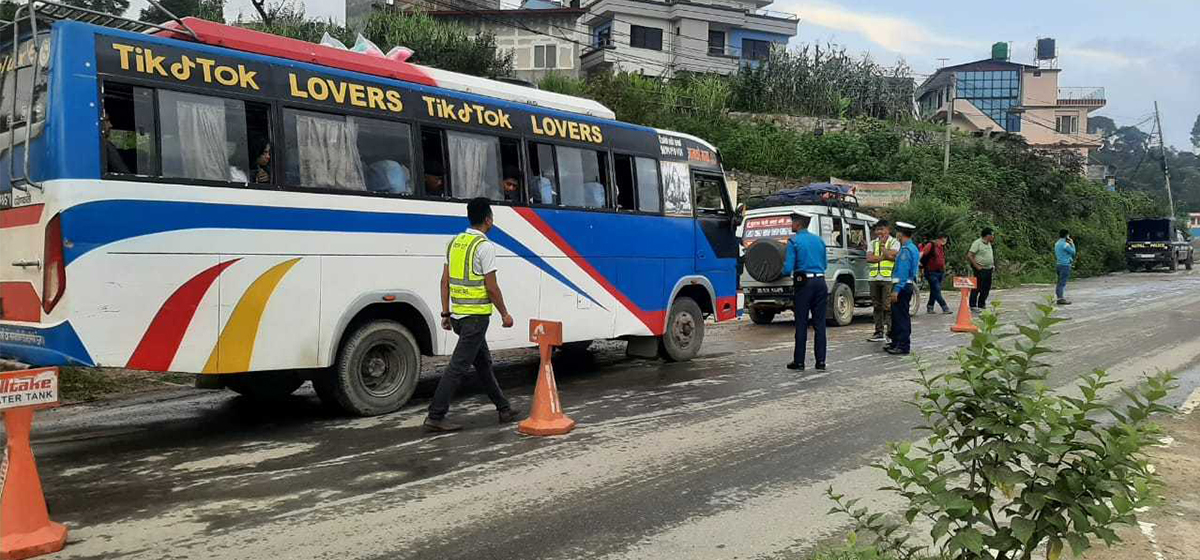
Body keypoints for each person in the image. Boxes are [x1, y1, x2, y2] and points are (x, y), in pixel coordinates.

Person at [424, 198, 519, 432]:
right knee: (457, 367)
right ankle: (435, 415)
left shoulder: (454, 242)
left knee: (483, 363)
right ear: (488, 220)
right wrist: (505, 314)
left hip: (458, 317)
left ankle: (503, 408)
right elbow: (491, 287)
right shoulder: (484, 247)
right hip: (475, 319)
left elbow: (444, 281)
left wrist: (446, 313)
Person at [781, 212, 828, 372]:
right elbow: (825, 264)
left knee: (801, 323)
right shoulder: (819, 240)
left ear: (798, 224)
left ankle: (799, 362)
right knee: (820, 324)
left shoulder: (793, 241)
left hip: (804, 284)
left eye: (792, 222)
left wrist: (779, 272)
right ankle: (820, 362)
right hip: (821, 282)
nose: (791, 224)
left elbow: (788, 268)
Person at [886, 222, 920, 355]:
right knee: (897, 315)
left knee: (901, 317)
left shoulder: (906, 250)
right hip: (905, 285)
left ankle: (903, 345)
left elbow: (903, 272)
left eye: (898, 233)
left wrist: (896, 289)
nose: (896, 235)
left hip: (902, 286)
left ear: (900, 234)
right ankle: (896, 342)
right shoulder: (911, 248)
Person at [866, 220, 900, 342]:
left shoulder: (894, 242)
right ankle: (878, 332)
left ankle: (890, 332)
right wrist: (884, 256)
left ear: (888, 230)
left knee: (887, 306)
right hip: (874, 278)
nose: (879, 232)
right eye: (877, 229)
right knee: (876, 306)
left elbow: (893, 256)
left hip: (888, 279)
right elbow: (869, 258)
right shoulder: (872, 243)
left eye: (882, 229)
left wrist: (882, 247)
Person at [920, 234, 952, 314]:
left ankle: (930, 307)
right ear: (938, 238)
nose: (944, 241)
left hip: (940, 272)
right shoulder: (931, 245)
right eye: (942, 238)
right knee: (936, 289)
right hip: (930, 272)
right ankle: (945, 307)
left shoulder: (941, 247)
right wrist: (918, 264)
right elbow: (922, 253)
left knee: (934, 290)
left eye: (945, 239)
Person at [967, 227, 996, 312]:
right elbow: (969, 255)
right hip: (980, 268)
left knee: (986, 287)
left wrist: (992, 265)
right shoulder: (977, 243)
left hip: (989, 268)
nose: (993, 236)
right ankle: (973, 305)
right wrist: (976, 266)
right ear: (987, 235)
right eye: (992, 235)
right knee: (977, 287)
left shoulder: (989, 243)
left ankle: (981, 303)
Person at [1055, 229, 1076, 305]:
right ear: (1066, 235)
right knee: (1062, 283)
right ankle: (1061, 299)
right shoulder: (1065, 244)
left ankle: (1059, 298)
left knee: (1059, 282)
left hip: (1058, 264)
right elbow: (1073, 252)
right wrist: (1072, 243)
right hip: (1065, 265)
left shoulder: (1057, 243)